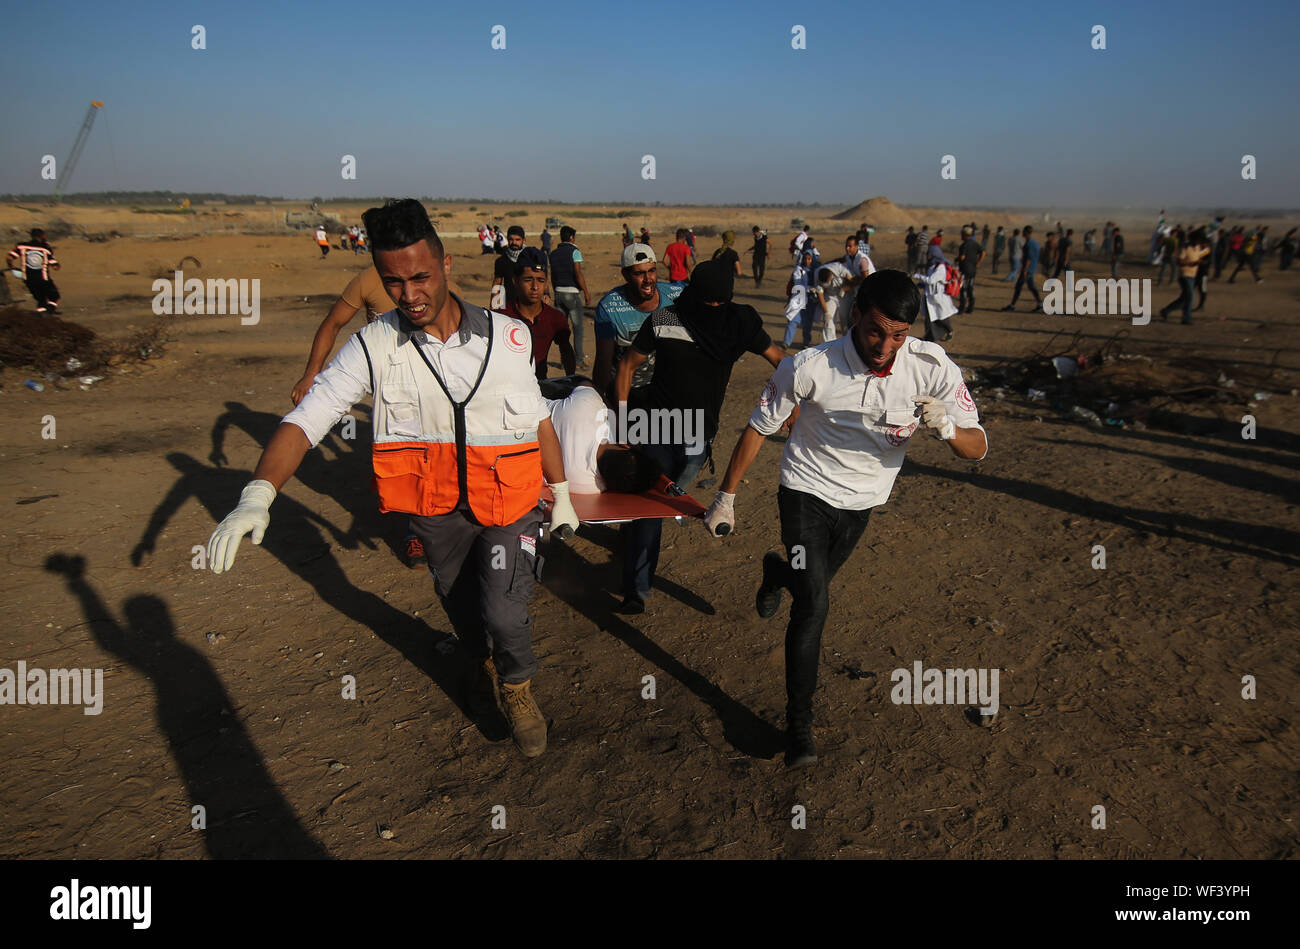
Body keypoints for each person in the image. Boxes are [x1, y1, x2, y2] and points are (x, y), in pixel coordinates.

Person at [206, 199, 579, 759]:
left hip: (510, 502)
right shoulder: (373, 345)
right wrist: (257, 495)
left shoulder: (508, 339)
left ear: (447, 264)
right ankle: (476, 664)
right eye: (393, 282)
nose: (410, 296)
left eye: (420, 277)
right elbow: (307, 418)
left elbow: (537, 420)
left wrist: (566, 494)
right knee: (458, 603)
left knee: (504, 608)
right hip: (434, 511)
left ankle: (518, 688)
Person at [702, 270, 988, 767]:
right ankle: (799, 727)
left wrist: (946, 430)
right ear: (855, 316)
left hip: (863, 503)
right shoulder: (810, 366)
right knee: (813, 603)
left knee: (806, 583)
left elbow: (977, 447)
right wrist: (726, 496)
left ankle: (777, 572)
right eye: (876, 330)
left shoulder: (931, 366)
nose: (884, 345)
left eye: (898, 334)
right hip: (804, 491)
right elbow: (758, 428)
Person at [613, 259, 784, 613]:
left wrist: (795, 404)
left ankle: (635, 534)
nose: (713, 309)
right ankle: (637, 589)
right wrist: (622, 423)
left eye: (719, 303)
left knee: (666, 496)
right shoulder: (665, 319)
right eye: (709, 302)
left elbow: (781, 361)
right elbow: (627, 366)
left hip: (698, 436)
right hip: (656, 425)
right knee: (653, 504)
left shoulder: (741, 322)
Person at [539, 376, 663, 496]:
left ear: (626, 446)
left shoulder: (588, 405)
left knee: (581, 384)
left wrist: (617, 421)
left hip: (532, 406)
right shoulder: (589, 487)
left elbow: (586, 384)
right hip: (526, 447)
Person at [592, 244, 683, 401]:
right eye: (639, 273)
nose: (648, 279)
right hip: (629, 394)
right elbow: (603, 362)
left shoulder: (676, 296)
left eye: (652, 271)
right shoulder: (609, 308)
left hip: (669, 390)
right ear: (625, 275)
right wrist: (603, 402)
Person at [495, 248, 575, 379]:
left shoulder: (555, 318)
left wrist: (571, 381)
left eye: (540, 280)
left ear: (546, 283)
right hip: (507, 389)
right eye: (528, 280)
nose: (535, 287)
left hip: (541, 388)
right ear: (515, 281)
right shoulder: (500, 317)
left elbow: (566, 351)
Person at [549, 226, 591, 368]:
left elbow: (553, 275)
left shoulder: (553, 254)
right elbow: (578, 273)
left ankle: (564, 360)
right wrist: (586, 292)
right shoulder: (575, 251)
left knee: (562, 330)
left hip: (558, 293)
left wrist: (555, 290)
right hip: (572, 294)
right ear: (572, 237)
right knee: (578, 328)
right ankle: (578, 360)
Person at [1159, 228, 1210, 325]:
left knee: (1184, 298)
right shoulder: (1185, 248)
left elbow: (1204, 252)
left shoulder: (1198, 247)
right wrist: (1192, 263)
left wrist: (1203, 260)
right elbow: (1180, 261)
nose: (1199, 242)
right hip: (1185, 275)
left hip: (1193, 275)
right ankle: (1186, 318)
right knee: (1190, 297)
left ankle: (1166, 311)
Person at [492, 225, 548, 306]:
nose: (514, 243)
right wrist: (494, 304)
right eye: (511, 239)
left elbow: (543, 278)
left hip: (532, 303)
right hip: (510, 304)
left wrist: (546, 294)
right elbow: (497, 284)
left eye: (517, 240)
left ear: (524, 240)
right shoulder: (501, 261)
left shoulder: (532, 257)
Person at [8, 228, 61, 314]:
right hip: (43, 278)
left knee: (40, 298)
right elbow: (55, 266)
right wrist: (56, 265)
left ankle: (43, 314)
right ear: (43, 236)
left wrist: (12, 267)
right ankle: (49, 311)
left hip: (28, 278)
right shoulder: (45, 248)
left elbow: (9, 258)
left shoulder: (22, 246)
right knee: (54, 296)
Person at [916, 244, 958, 341]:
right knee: (929, 318)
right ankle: (930, 337)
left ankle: (949, 331)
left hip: (938, 297)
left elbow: (931, 280)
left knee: (941, 317)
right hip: (929, 297)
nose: (927, 255)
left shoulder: (941, 267)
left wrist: (918, 276)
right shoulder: (932, 266)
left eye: (929, 253)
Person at [1002, 225, 1043, 312]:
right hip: (1031, 268)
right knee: (1031, 287)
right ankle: (1040, 303)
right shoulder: (1034, 243)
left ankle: (1012, 306)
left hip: (1027, 270)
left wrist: (1024, 270)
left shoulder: (1029, 243)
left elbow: (1029, 258)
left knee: (1018, 287)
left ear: (1026, 233)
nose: (1022, 234)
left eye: (1024, 232)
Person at [810, 258, 852, 342]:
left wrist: (844, 289)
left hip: (844, 295)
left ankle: (848, 341)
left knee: (845, 319)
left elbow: (851, 281)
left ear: (831, 275)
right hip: (830, 295)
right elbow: (820, 294)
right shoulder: (817, 274)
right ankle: (830, 343)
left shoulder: (839, 268)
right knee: (828, 320)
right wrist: (825, 312)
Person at [782, 251, 816, 349]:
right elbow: (797, 284)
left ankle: (806, 342)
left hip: (810, 300)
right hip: (798, 298)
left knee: (807, 323)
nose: (807, 261)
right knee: (792, 320)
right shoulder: (799, 269)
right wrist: (810, 288)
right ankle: (786, 343)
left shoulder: (816, 270)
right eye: (805, 258)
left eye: (809, 259)